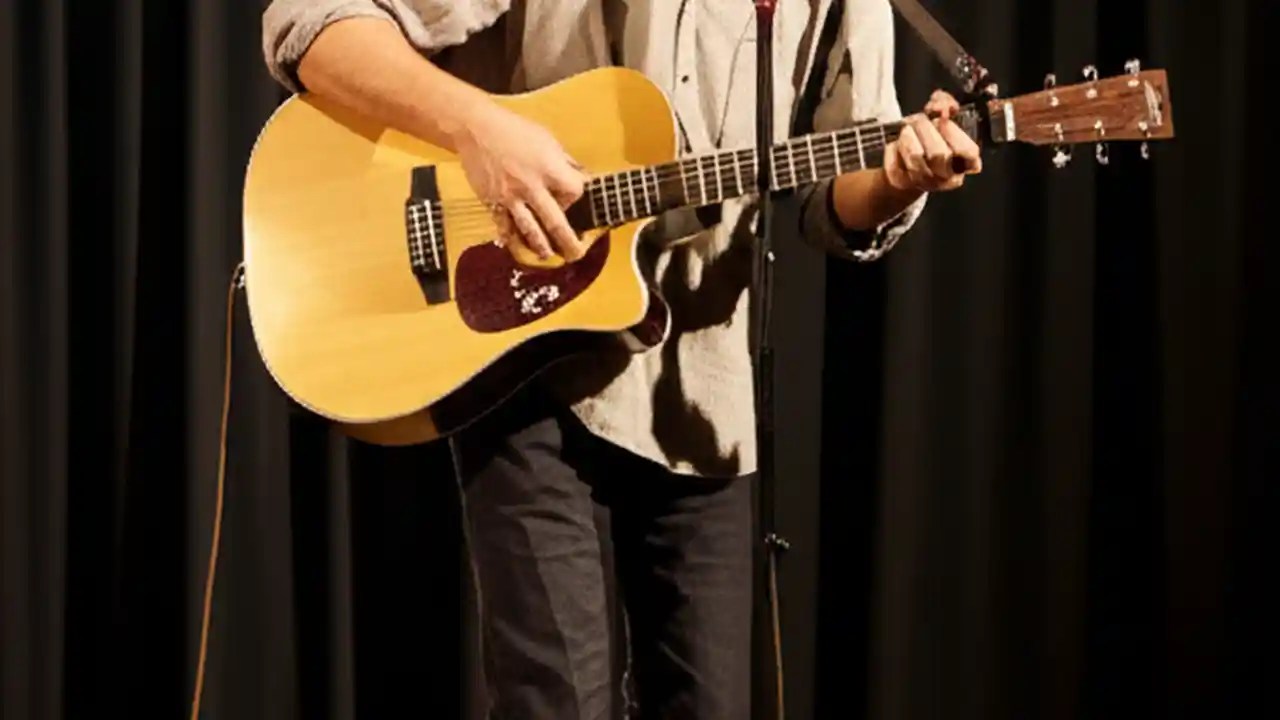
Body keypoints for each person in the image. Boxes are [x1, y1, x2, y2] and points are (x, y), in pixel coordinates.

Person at [261, 1, 981, 718]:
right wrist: (480, 130)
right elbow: (311, 25)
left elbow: (833, 193)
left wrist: (899, 181)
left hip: (701, 399)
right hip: (531, 366)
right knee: (556, 701)